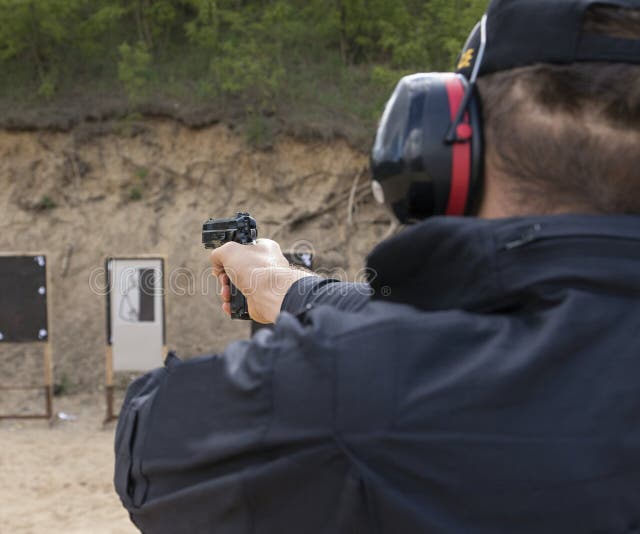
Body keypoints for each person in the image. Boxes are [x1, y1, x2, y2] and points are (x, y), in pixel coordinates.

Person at [115, 0, 640, 531]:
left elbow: (149, 450)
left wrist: (323, 340)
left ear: (447, 153)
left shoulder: (361, 390)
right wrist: (291, 290)